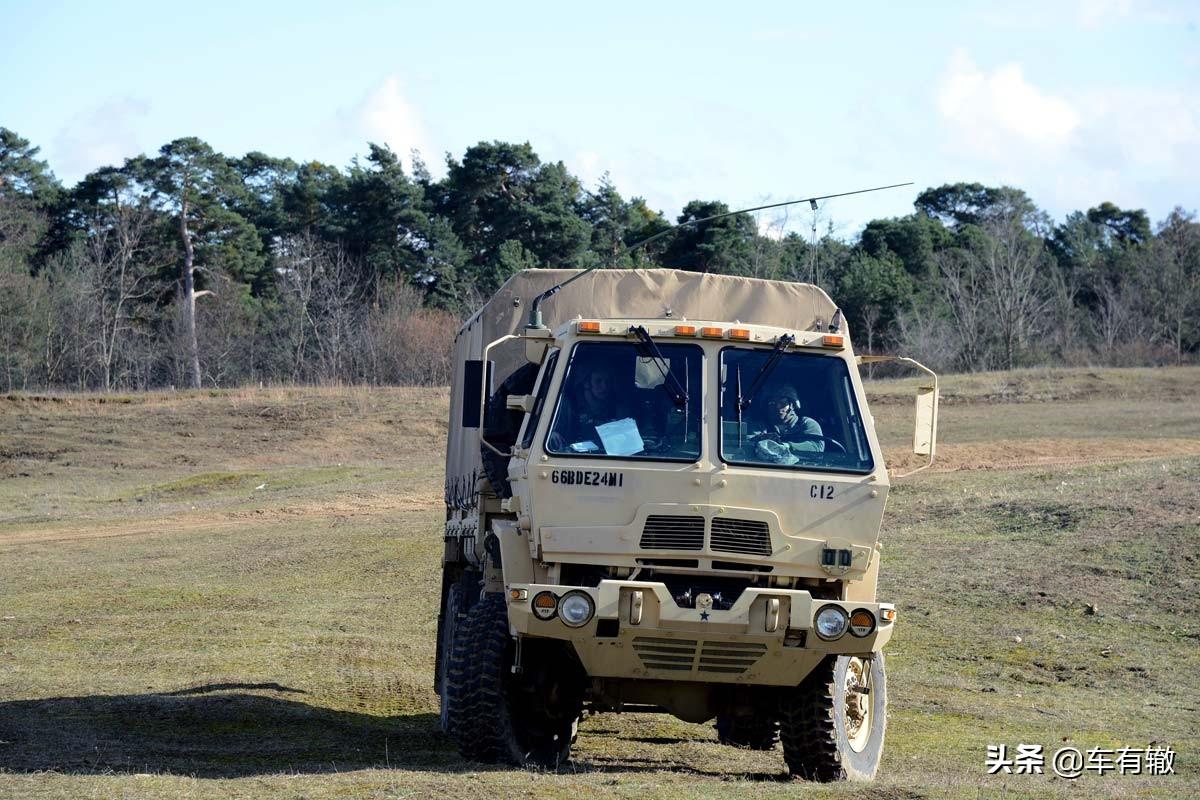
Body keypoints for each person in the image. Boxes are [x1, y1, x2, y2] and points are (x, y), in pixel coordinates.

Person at [752, 385, 824, 459]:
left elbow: (816, 447)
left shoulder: (806, 424)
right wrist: (760, 440)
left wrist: (787, 446)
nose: (778, 407)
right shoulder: (760, 426)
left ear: (792, 405)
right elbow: (746, 443)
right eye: (772, 403)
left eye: (783, 402)